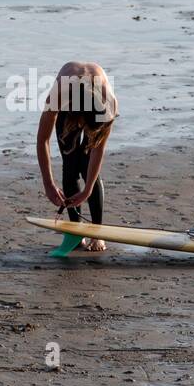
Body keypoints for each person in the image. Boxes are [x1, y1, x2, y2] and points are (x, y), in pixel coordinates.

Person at [36, 62, 118, 251]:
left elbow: (99, 150)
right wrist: (48, 184)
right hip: (71, 101)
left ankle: (97, 234)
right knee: (71, 163)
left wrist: (88, 188)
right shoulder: (59, 96)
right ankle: (75, 233)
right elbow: (43, 141)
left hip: (95, 108)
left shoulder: (109, 105)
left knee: (86, 162)